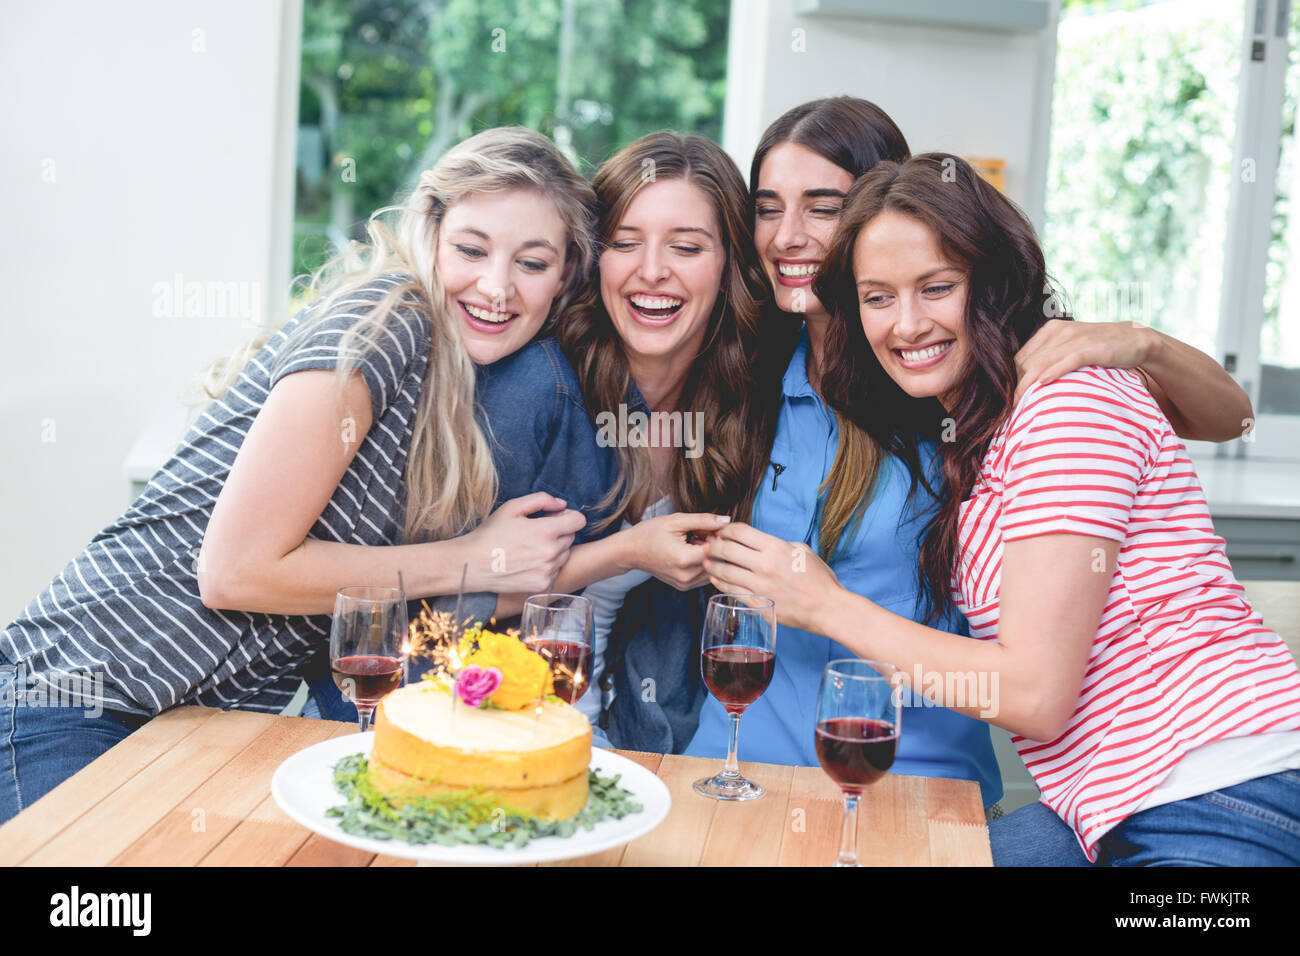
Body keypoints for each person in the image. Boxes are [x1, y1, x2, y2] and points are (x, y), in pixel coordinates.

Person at [703, 152, 1300, 865]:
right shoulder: (984, 424)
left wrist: (823, 605)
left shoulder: (1064, 405)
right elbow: (1223, 418)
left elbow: (1036, 693)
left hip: (1218, 793)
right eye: (878, 297)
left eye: (937, 287)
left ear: (991, 283)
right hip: (1104, 810)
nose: (907, 323)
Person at [0, 127, 609, 824]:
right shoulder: (388, 321)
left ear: (565, 278)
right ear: (431, 233)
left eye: (531, 263)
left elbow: (391, 596)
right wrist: (470, 559)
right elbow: (234, 571)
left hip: (178, 724)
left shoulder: (451, 384)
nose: (496, 285)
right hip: (66, 698)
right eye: (471, 249)